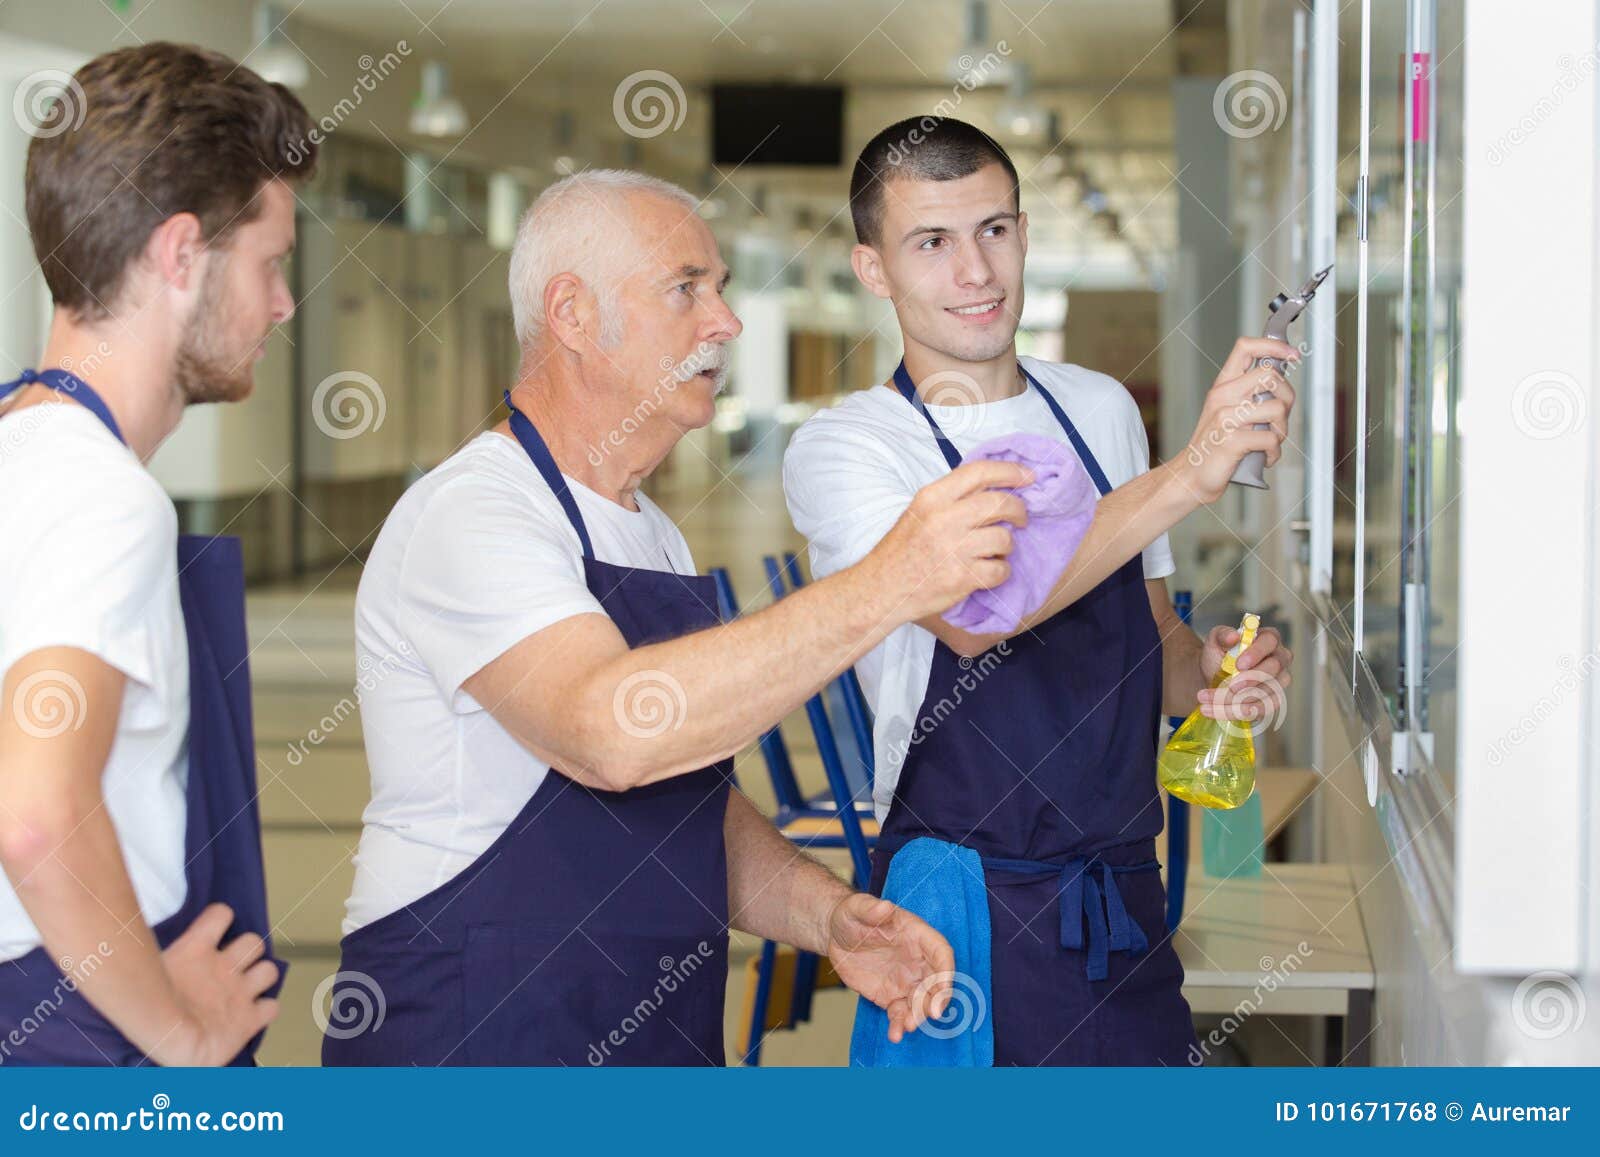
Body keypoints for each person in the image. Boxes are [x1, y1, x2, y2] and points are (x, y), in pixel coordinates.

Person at [320, 169, 1031, 1067]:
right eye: (686, 288)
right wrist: (892, 581)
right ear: (573, 315)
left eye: (722, 288)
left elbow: (684, 810)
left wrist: (828, 917)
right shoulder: (474, 511)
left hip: (647, 1026)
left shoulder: (650, 534)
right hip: (481, 1030)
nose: (725, 321)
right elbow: (610, 735)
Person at [782, 117, 1298, 1066]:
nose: (975, 272)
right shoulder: (852, 447)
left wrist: (1215, 673)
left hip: (1122, 897)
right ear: (873, 269)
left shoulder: (1099, 408)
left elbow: (1155, 641)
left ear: (1024, 233)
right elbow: (976, 621)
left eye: (994, 231)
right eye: (931, 243)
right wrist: (1190, 473)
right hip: (961, 911)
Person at [0, 43, 316, 1065]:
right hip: (78, 1031)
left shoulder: (20, 444)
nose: (282, 305)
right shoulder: (102, 498)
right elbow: (35, 816)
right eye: (271, 263)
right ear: (181, 255)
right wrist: (178, 1031)